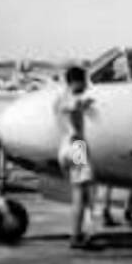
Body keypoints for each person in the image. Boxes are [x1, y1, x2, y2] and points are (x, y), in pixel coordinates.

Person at [55, 65, 98, 249]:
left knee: (82, 193)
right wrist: (84, 104)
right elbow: (73, 105)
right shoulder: (69, 99)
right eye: (84, 82)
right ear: (77, 81)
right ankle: (77, 235)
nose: (86, 85)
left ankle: (83, 232)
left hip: (66, 145)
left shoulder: (59, 99)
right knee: (82, 194)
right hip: (77, 146)